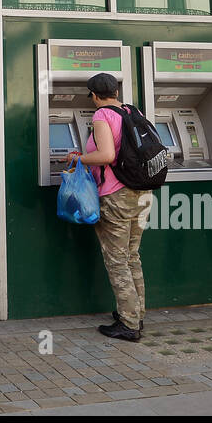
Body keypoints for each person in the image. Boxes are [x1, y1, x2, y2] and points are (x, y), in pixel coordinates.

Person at [65, 72, 148, 343]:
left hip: (116, 195)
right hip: (140, 193)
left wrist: (80, 158)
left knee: (116, 260)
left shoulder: (102, 116)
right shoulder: (130, 110)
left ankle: (128, 324)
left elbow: (107, 156)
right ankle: (136, 313)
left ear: (94, 94)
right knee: (132, 256)